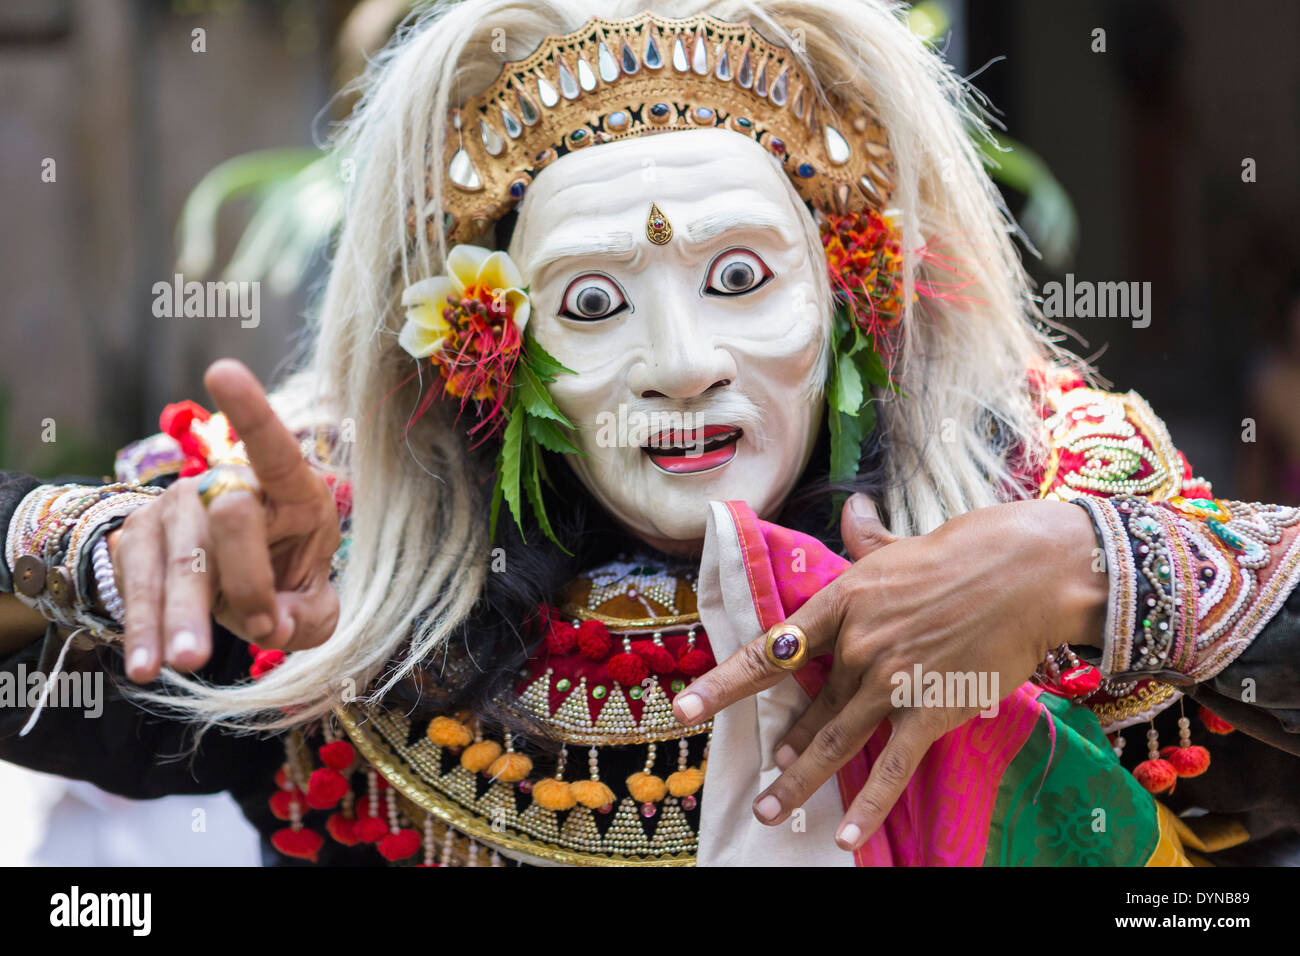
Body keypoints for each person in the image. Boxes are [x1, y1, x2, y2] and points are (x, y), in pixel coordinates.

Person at [2, 0, 1298, 866]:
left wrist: (1090, 572)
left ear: (848, 292)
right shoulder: (357, 618)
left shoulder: (1063, 515)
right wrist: (86, 550)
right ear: (494, 356)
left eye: (741, 281)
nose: (681, 366)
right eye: (594, 305)